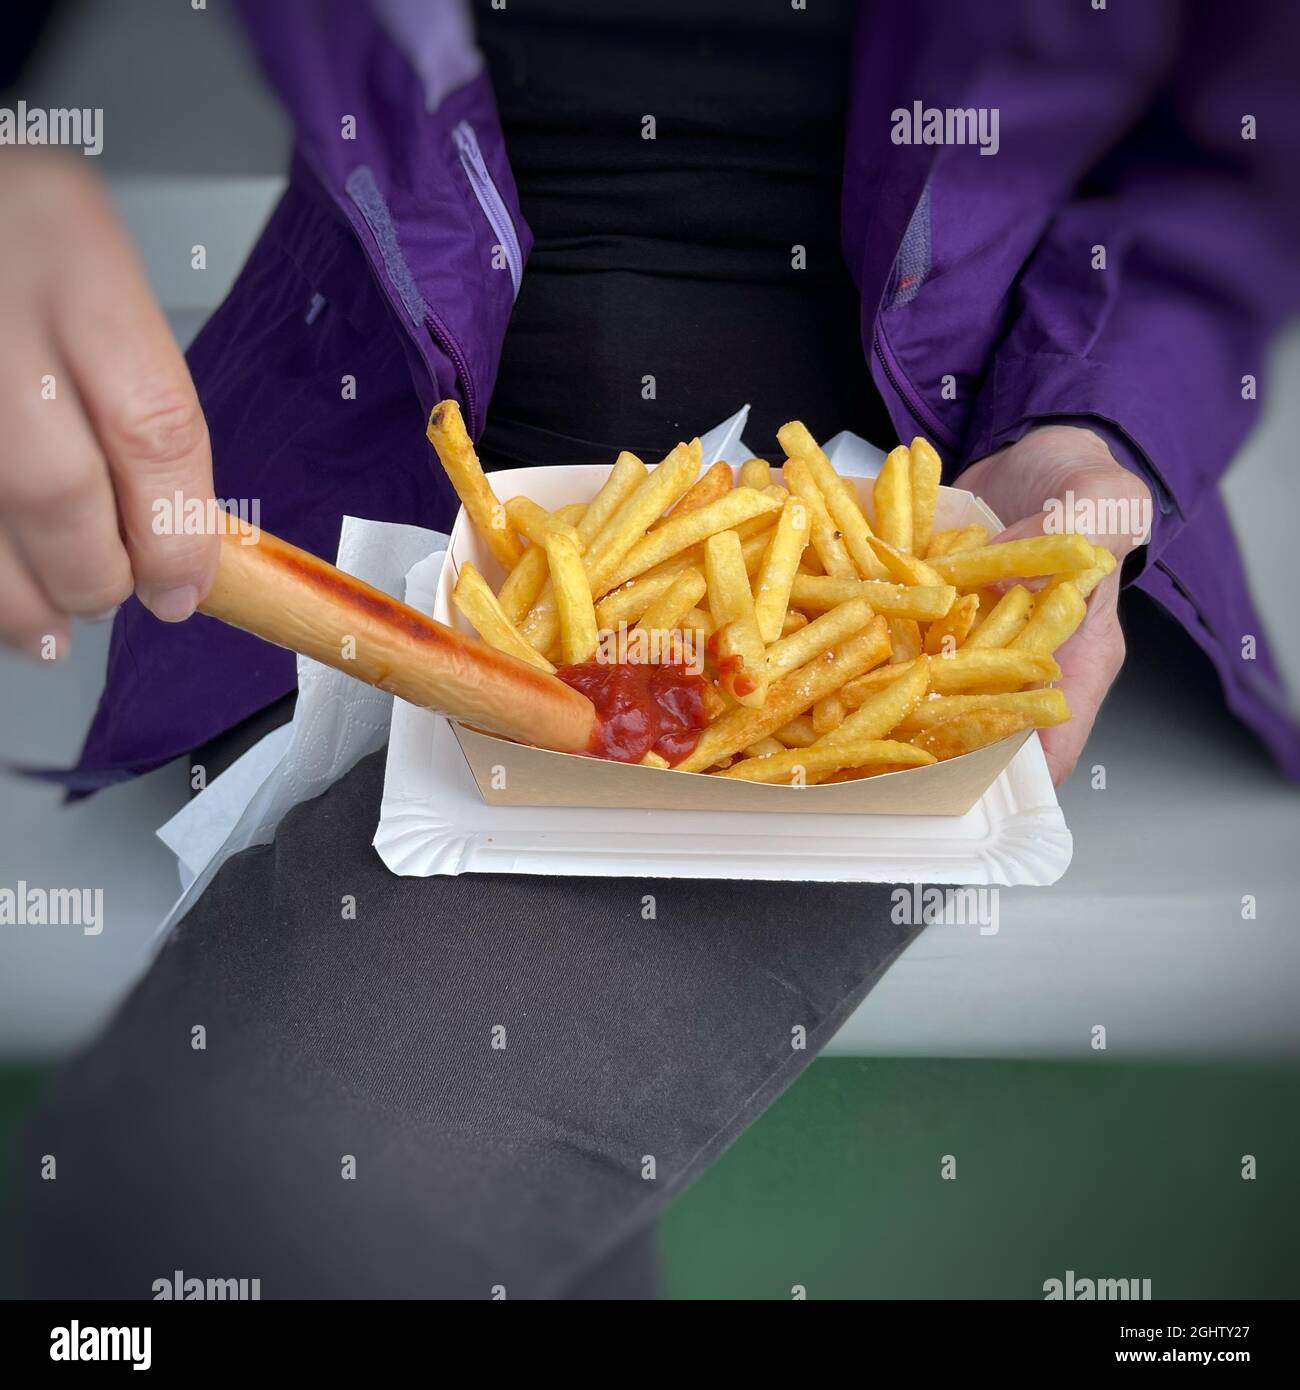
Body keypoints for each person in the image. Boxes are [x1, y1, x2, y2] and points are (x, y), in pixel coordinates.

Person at [6, 0, 1300, 1298]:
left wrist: (1096, 427)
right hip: (350, 482)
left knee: (246, 1204)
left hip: (898, 578)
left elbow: (1236, 150)